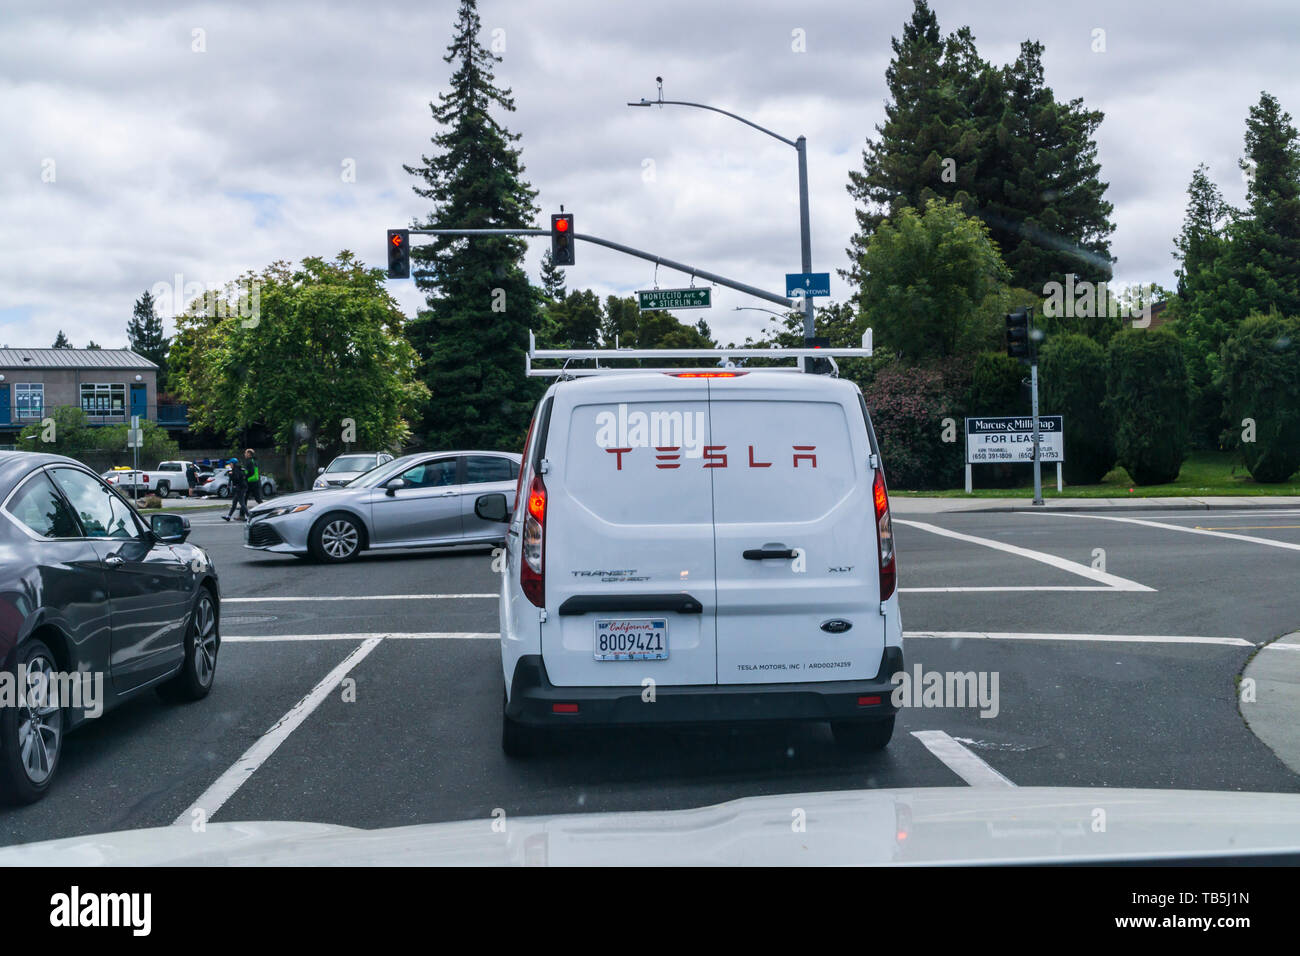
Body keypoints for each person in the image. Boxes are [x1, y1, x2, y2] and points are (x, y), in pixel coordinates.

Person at [221, 457, 249, 522]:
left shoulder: (235, 470)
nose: (229, 465)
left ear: (233, 463)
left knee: (242, 503)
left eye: (230, 463)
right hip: (240, 488)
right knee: (234, 503)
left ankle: (249, 516)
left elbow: (236, 478)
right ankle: (228, 516)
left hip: (240, 488)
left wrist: (231, 475)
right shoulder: (236, 469)